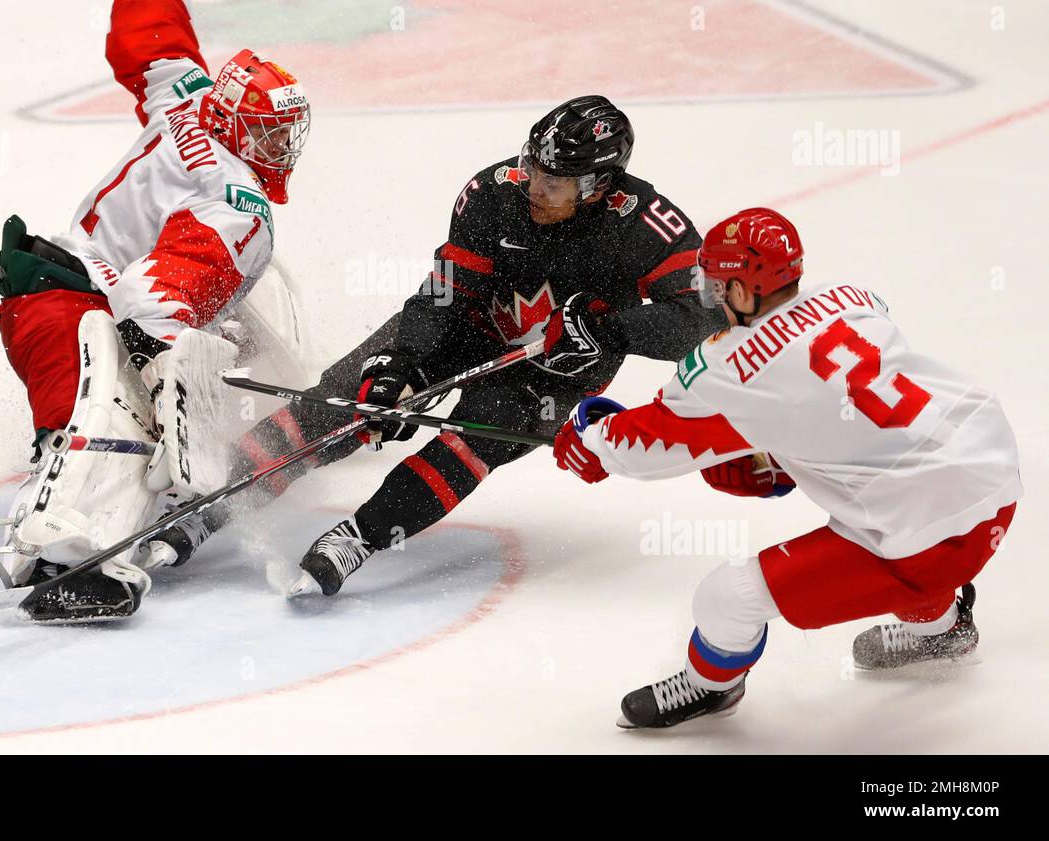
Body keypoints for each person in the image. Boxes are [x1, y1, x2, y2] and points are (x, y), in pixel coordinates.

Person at [168, 95, 728, 596]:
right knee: (349, 397)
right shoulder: (492, 193)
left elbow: (701, 320)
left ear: (597, 186)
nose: (533, 185)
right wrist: (402, 362)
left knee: (473, 438)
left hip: (560, 371)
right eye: (532, 165)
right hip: (470, 324)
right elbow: (446, 292)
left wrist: (608, 330)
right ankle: (211, 505)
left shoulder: (650, 228)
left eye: (553, 182)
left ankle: (360, 537)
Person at [0, 0, 311, 622]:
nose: (280, 147)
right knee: (115, 417)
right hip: (68, 305)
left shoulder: (194, 101)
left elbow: (148, 29)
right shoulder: (240, 206)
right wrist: (188, 421)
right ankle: (66, 553)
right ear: (245, 131)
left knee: (90, 413)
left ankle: (44, 534)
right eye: (271, 131)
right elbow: (151, 305)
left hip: (42, 293)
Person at [552, 207, 1021, 728]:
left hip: (928, 532)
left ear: (742, 290)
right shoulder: (855, 297)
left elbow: (645, 450)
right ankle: (944, 630)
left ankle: (712, 687)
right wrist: (786, 451)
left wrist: (588, 432)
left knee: (727, 598)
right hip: (990, 465)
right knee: (882, 528)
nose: (713, 301)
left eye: (717, 288)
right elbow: (841, 396)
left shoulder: (725, 369)